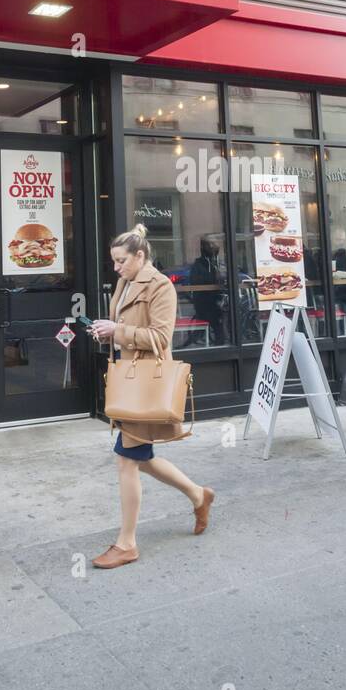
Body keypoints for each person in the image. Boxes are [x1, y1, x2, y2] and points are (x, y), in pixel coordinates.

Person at [89, 223, 214, 568]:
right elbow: (125, 327)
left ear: (140, 256)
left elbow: (160, 337)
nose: (115, 268)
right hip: (128, 381)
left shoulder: (160, 286)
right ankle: (197, 494)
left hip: (143, 383)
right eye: (114, 262)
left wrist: (119, 331)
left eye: (120, 261)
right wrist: (107, 332)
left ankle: (127, 543)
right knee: (140, 457)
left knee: (127, 460)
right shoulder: (125, 282)